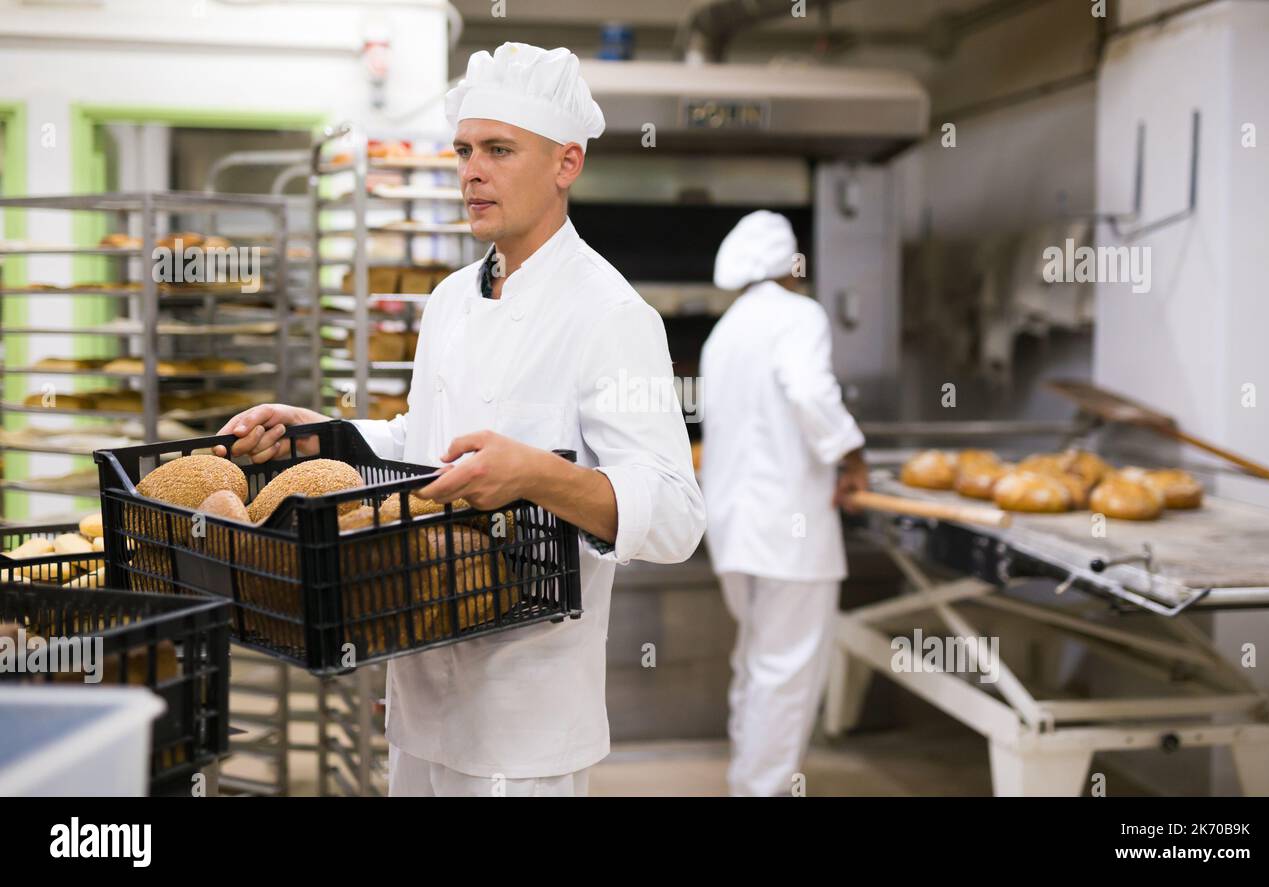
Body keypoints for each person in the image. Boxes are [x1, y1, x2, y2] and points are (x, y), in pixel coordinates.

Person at [217, 42, 705, 797]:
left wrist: (538, 475)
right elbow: (424, 444)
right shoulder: (448, 301)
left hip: (525, 723)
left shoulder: (610, 314)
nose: (471, 171)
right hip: (418, 697)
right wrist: (325, 435)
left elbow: (674, 512)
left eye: (500, 150)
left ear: (565, 163)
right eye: (464, 150)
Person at [699, 210, 869, 797]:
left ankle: (747, 781)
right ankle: (763, 791)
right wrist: (852, 457)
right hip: (787, 531)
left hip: (734, 529)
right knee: (787, 672)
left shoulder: (727, 332)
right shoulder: (799, 316)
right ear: (789, 265)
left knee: (757, 663)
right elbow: (810, 391)